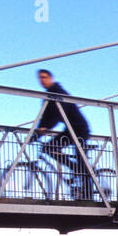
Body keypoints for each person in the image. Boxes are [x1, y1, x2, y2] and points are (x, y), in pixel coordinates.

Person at [32, 68, 93, 200]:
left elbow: (56, 115)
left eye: (44, 77)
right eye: (39, 78)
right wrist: (37, 133)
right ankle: (75, 168)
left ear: (51, 78)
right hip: (70, 130)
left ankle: (88, 194)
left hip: (80, 129)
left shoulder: (58, 92)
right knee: (48, 148)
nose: (41, 80)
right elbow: (45, 118)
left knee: (82, 162)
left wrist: (43, 130)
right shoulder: (49, 95)